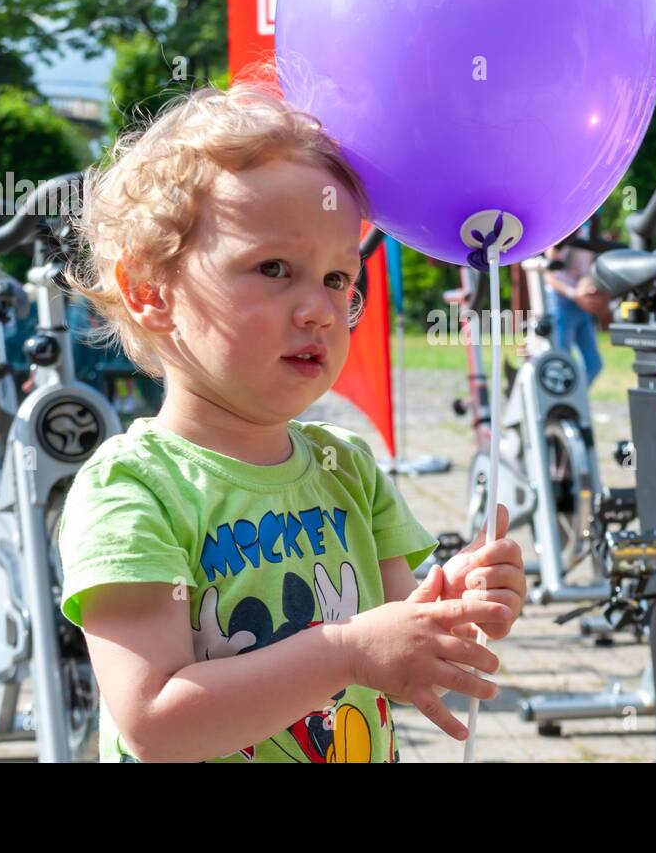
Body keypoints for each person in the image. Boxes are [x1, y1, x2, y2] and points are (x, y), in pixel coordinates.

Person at [56, 79, 526, 763]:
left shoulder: (348, 466)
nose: (320, 310)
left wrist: (458, 603)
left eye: (339, 278)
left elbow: (401, 644)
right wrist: (348, 651)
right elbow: (155, 721)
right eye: (274, 268)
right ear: (150, 292)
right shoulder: (134, 488)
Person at [543, 219, 606, 386]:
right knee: (563, 363)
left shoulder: (587, 235)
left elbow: (588, 270)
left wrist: (588, 285)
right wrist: (574, 294)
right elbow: (549, 275)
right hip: (562, 302)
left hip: (582, 303)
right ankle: (564, 405)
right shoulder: (560, 231)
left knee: (594, 365)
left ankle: (576, 402)